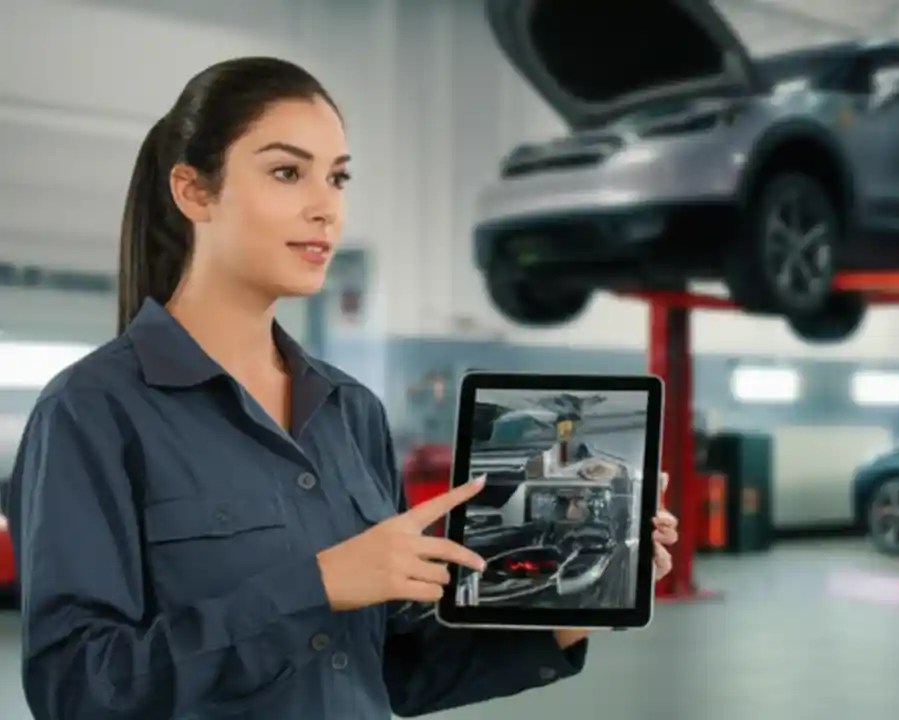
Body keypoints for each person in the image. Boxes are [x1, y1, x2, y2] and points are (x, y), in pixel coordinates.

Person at [4, 56, 680, 720]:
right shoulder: (93, 411)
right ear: (194, 192)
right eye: (287, 172)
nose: (325, 208)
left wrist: (573, 605)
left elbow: (390, 670)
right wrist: (317, 586)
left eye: (338, 177)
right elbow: (77, 689)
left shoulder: (349, 412)